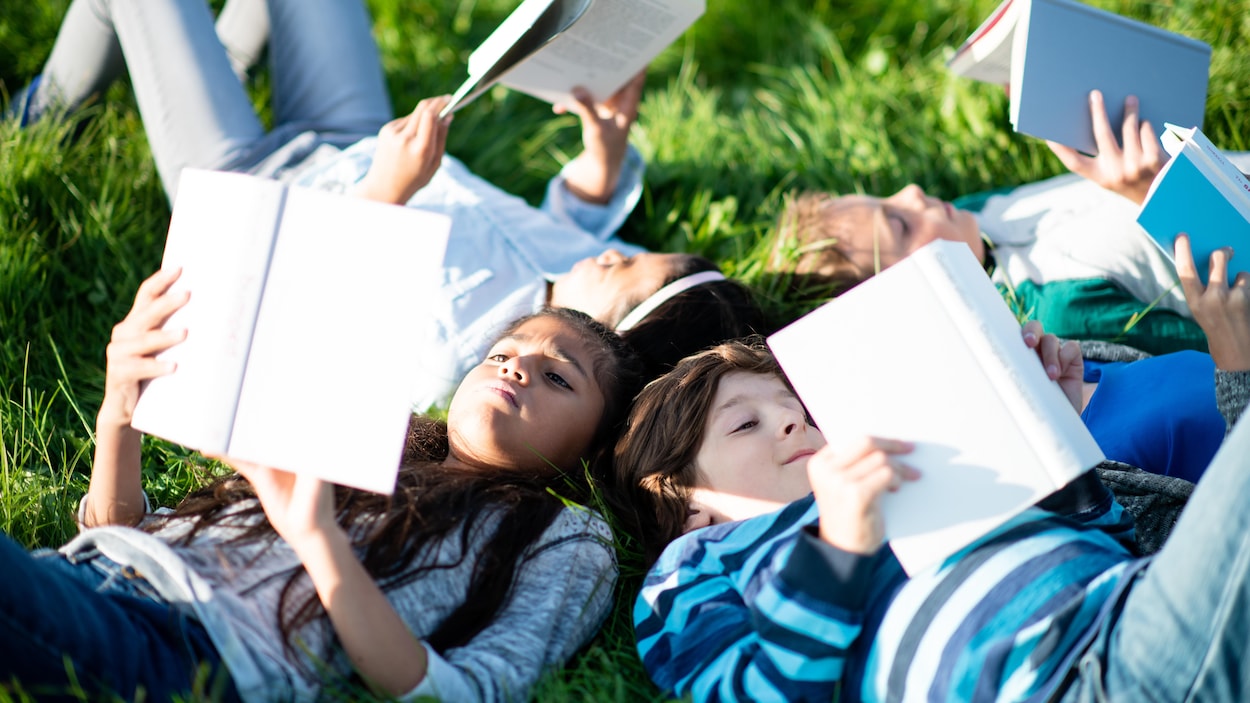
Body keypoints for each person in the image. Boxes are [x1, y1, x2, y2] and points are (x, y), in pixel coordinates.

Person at [11, 0, 765, 411]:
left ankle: (36, 123)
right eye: (635, 248)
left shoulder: (458, 357)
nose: (612, 250)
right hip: (346, 129)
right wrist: (601, 161)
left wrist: (389, 194)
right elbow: (575, 224)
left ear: (601, 340)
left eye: (625, 271)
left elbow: (291, 303)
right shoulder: (571, 266)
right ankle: (211, 66)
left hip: (251, 185)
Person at [611, 237, 1250, 702]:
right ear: (690, 509)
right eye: (744, 424)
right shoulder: (694, 568)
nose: (794, 425)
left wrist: (1058, 448)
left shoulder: (908, 478)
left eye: (804, 411)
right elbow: (756, 693)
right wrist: (836, 550)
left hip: (1133, 604)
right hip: (1075, 678)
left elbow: (1112, 546)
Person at [0, 266, 643, 702]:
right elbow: (125, 536)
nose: (519, 367)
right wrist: (120, 414)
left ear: (589, 452)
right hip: (85, 572)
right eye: (502, 354)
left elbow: (464, 690)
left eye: (559, 377)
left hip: (190, 648)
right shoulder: (363, 441)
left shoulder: (566, 537)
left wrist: (316, 537)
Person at [769, 89, 1250, 357]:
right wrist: (1160, 196)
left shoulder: (969, 220)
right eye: (899, 224)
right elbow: (1222, 348)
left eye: (886, 196)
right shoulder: (1060, 311)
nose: (913, 194)